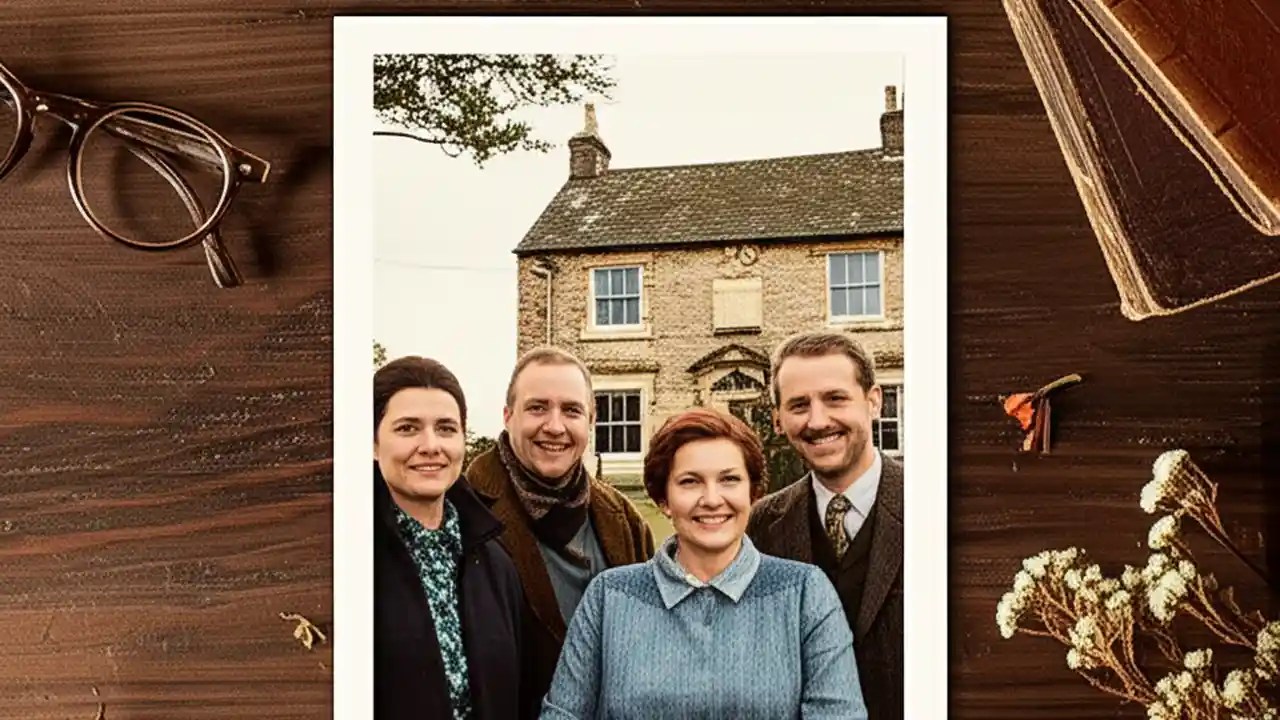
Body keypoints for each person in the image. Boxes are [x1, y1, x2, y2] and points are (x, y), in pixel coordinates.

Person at [542, 407, 867, 719]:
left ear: (753, 493)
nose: (712, 499)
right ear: (663, 500)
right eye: (690, 482)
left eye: (729, 480)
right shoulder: (609, 597)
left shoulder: (804, 594)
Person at [464, 346, 655, 716]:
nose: (555, 426)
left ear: (591, 420)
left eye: (571, 410)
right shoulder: (464, 514)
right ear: (508, 416)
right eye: (537, 408)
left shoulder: (626, 521)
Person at [747, 331, 904, 720]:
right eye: (799, 405)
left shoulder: (936, 507)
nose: (818, 421)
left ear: (873, 402)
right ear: (778, 420)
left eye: (835, 398)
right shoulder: (759, 527)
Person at [373, 356, 523, 720]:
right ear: (374, 444)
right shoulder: (348, 557)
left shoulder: (495, 562)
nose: (430, 446)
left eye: (445, 428)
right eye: (408, 428)